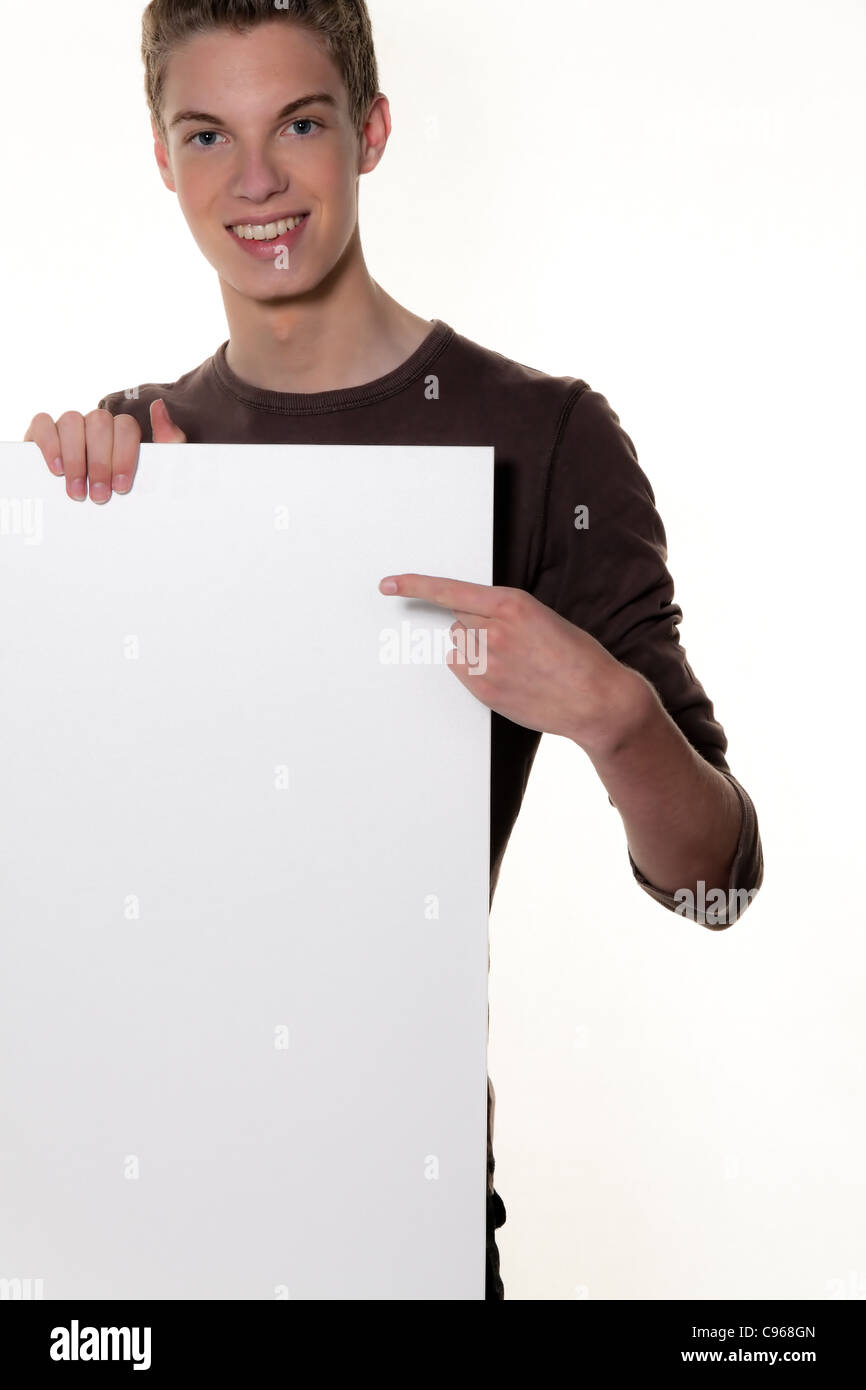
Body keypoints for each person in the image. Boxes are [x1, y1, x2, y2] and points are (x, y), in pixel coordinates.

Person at [23, 0, 764, 1301]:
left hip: (395, 1210)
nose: (253, 180)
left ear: (369, 129)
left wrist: (614, 715)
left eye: (297, 123)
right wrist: (66, 549)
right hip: (118, 1220)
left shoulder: (543, 440)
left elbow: (720, 889)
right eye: (207, 134)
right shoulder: (128, 462)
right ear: (159, 157)